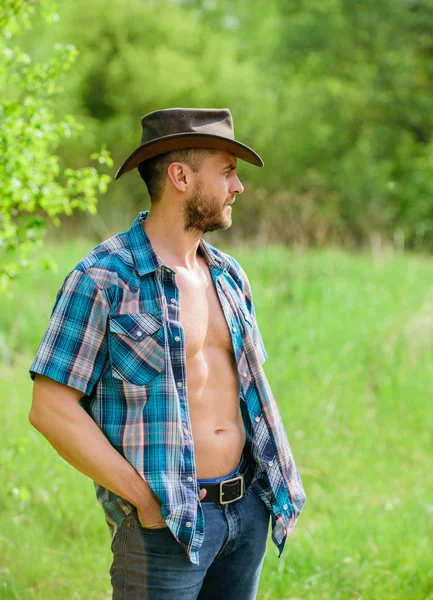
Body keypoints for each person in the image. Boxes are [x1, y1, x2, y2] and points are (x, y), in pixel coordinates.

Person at [28, 107, 306, 599]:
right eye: (227, 172)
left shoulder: (227, 274)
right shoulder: (102, 278)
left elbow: (245, 390)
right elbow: (51, 409)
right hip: (166, 525)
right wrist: (144, 500)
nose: (237, 187)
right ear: (180, 176)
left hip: (245, 510)